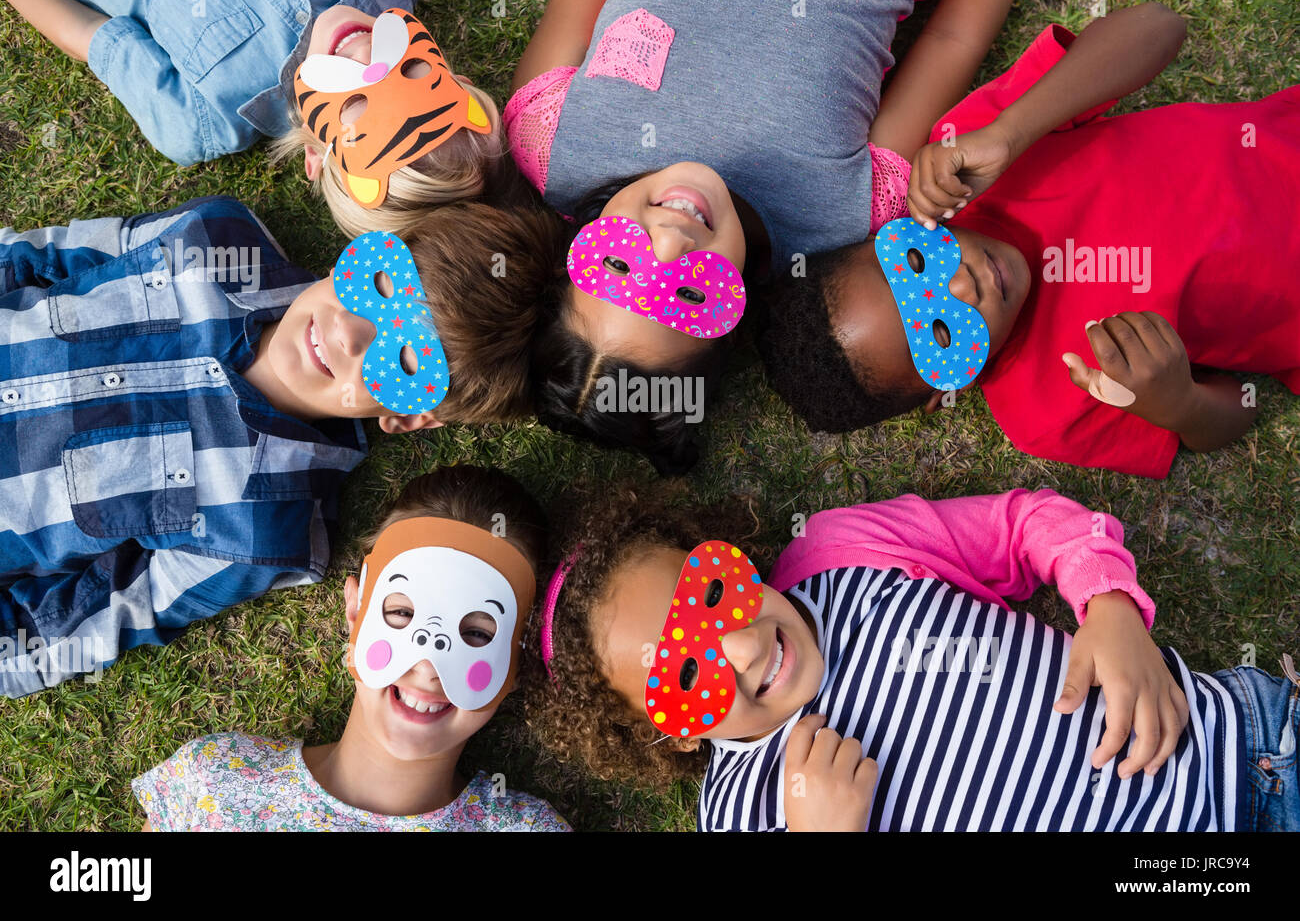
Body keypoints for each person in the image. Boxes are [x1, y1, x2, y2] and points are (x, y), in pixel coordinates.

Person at [0, 195, 558, 695]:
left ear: (410, 418)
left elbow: (83, 622)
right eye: (382, 286)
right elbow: (43, 256)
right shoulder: (217, 237)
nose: (351, 333)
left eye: (405, 360)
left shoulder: (260, 528)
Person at [527, 485, 1294, 831]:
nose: (742, 642)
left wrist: (1110, 608)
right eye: (685, 672)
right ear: (670, 733)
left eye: (713, 590)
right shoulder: (736, 815)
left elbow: (1026, 525)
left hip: (1251, 756)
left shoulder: (838, 553)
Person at [508, 0, 1027, 473]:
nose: (670, 244)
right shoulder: (840, 213)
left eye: (619, 265)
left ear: (568, 256)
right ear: (729, 327)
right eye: (688, 292)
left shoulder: (551, 138)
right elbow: (951, 39)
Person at [758, 14, 1299, 478]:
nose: (963, 285)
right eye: (942, 331)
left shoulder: (968, 152)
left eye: (917, 262)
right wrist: (1179, 404)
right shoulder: (1047, 412)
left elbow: (1161, 26)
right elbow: (1237, 410)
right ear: (945, 393)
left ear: (888, 232)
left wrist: (1011, 132)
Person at [133, 466, 571, 831]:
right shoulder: (217, 782)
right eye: (401, 613)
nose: (428, 667)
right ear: (355, 611)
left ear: (520, 657)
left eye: (477, 633)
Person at [1, 0, 512, 237]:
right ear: (457, 76)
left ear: (316, 154)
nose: (363, 52)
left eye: (358, 109)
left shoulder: (203, 116)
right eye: (417, 75)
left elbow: (88, 32)